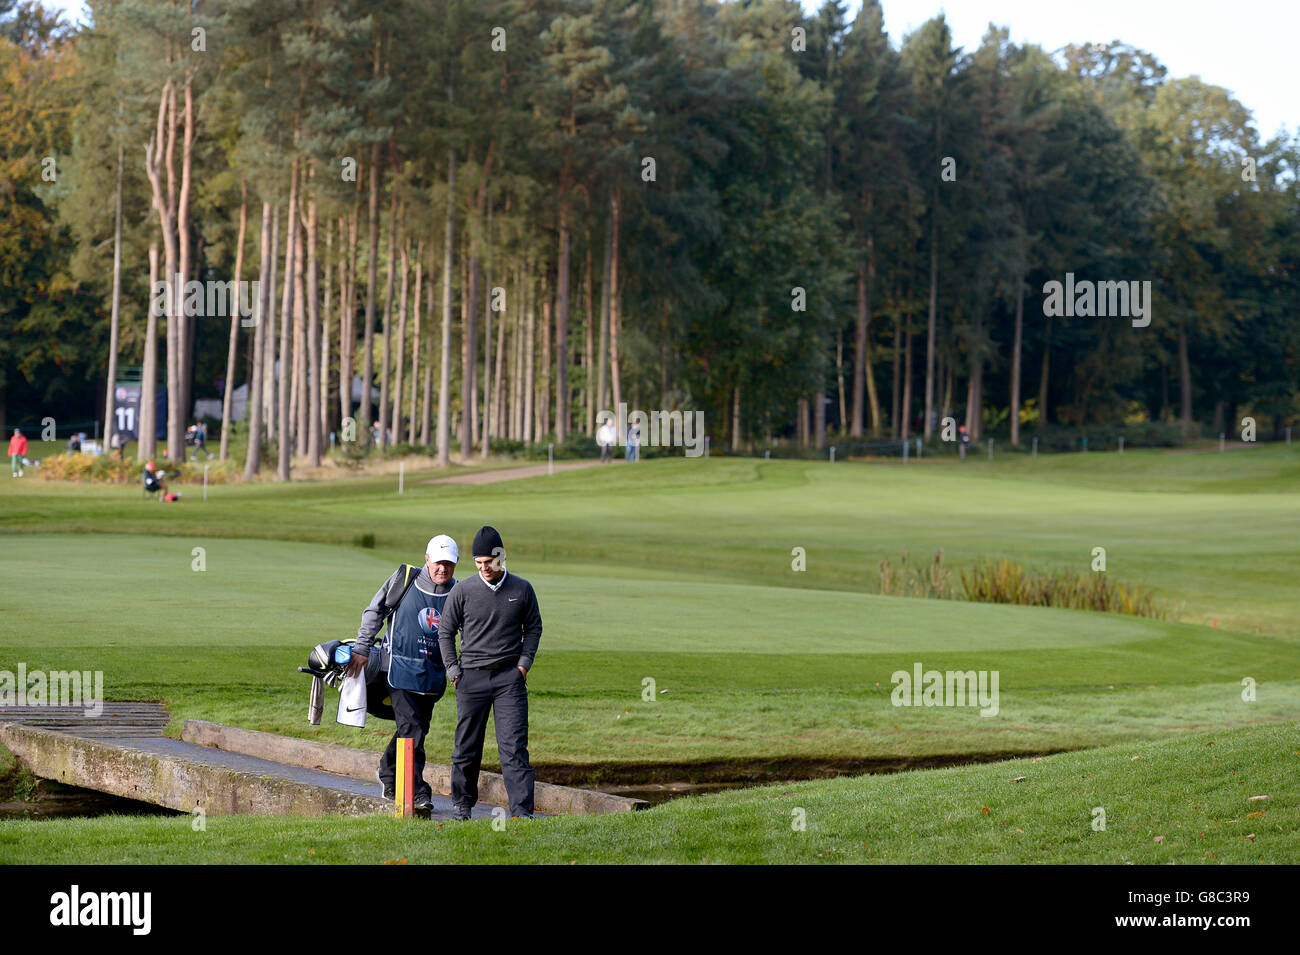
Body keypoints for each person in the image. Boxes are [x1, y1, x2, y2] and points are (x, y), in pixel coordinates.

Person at [345, 534, 460, 812]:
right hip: (398, 671)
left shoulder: (459, 592)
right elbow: (375, 610)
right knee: (412, 729)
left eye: (449, 564)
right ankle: (417, 792)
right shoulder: (404, 579)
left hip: (432, 676)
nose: (443, 569)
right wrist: (361, 647)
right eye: (438, 563)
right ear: (427, 559)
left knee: (416, 728)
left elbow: (468, 632)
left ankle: (388, 771)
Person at [438, 525, 542, 820]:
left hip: (509, 678)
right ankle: (462, 806)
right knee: (467, 746)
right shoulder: (463, 590)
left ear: (501, 557)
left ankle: (522, 812)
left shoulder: (522, 589)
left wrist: (523, 665)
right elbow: (445, 632)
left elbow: (533, 628)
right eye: (478, 563)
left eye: (489, 562)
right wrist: (454, 671)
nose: (484, 568)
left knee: (513, 747)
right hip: (470, 678)